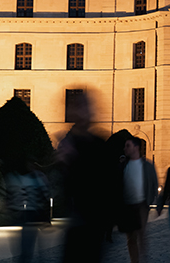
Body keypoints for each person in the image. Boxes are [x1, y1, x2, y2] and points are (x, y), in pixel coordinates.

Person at [56, 93, 111, 263]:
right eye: (75, 107)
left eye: (82, 107)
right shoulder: (68, 141)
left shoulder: (98, 144)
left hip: (93, 222)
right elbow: (65, 185)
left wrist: (73, 159)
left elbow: (103, 182)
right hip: (77, 221)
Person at [119, 137, 157, 263]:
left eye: (128, 146)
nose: (125, 149)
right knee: (131, 237)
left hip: (142, 205)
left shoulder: (147, 166)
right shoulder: (123, 165)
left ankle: (143, 258)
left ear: (136, 147)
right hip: (127, 206)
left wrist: (150, 201)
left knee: (141, 233)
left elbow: (154, 183)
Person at [5, 159, 51, 263]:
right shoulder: (37, 177)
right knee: (29, 245)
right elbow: (45, 196)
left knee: (25, 246)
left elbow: (10, 196)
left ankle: (24, 259)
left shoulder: (14, 177)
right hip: (31, 214)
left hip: (26, 215)